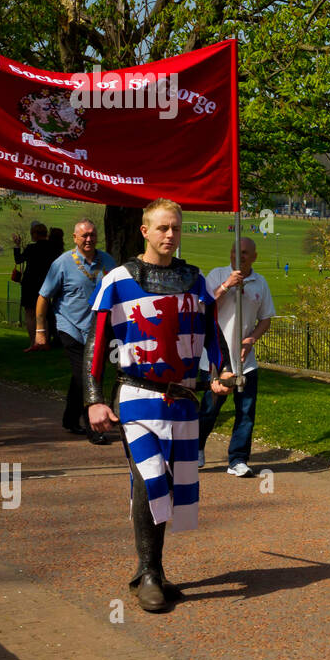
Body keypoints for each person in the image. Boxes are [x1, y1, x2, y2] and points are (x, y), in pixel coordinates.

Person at [84, 199, 232, 613]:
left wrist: (219, 373)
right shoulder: (117, 280)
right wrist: (95, 399)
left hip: (183, 399)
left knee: (170, 485)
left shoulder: (194, 281)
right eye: (163, 228)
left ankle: (155, 570)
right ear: (145, 231)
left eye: (176, 229)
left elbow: (211, 332)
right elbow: (96, 345)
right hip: (136, 395)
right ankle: (148, 573)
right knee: (151, 480)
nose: (170, 236)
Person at [32, 219, 116, 444]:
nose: (88, 239)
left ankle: (70, 419)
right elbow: (43, 297)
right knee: (88, 375)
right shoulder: (62, 263)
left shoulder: (107, 261)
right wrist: (40, 330)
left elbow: (118, 293)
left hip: (97, 329)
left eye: (92, 234)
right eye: (84, 236)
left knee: (82, 376)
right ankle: (93, 427)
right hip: (70, 327)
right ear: (75, 238)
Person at [197, 237, 274, 477]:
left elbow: (266, 318)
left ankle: (238, 459)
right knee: (210, 408)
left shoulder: (260, 283)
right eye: (234, 252)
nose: (237, 257)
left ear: (254, 256)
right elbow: (204, 307)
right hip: (216, 358)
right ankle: (197, 448)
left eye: (243, 253)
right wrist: (227, 286)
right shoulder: (217, 275)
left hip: (245, 361)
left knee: (246, 412)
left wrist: (252, 339)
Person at [13, 221, 54, 346]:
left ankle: (34, 342)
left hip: (30, 283)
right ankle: (45, 342)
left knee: (30, 314)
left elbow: (18, 260)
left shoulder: (31, 248)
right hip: (46, 283)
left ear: (35, 234)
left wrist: (17, 245)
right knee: (44, 314)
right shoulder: (51, 248)